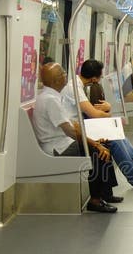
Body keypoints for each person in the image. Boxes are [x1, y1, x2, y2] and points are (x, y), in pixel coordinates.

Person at [61, 59, 133, 188]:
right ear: (94, 78)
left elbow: (95, 112)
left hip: (82, 125)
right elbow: (95, 114)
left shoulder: (78, 85)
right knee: (113, 138)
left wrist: (107, 108)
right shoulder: (75, 88)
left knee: (117, 133)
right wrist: (108, 113)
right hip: (74, 132)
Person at [32, 63, 118, 213]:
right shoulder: (50, 100)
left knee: (105, 143)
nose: (66, 75)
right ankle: (95, 200)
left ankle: (106, 193)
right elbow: (70, 131)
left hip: (63, 142)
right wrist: (95, 145)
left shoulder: (51, 96)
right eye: (63, 73)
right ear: (57, 80)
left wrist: (95, 141)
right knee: (97, 152)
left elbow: (71, 125)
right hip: (57, 147)